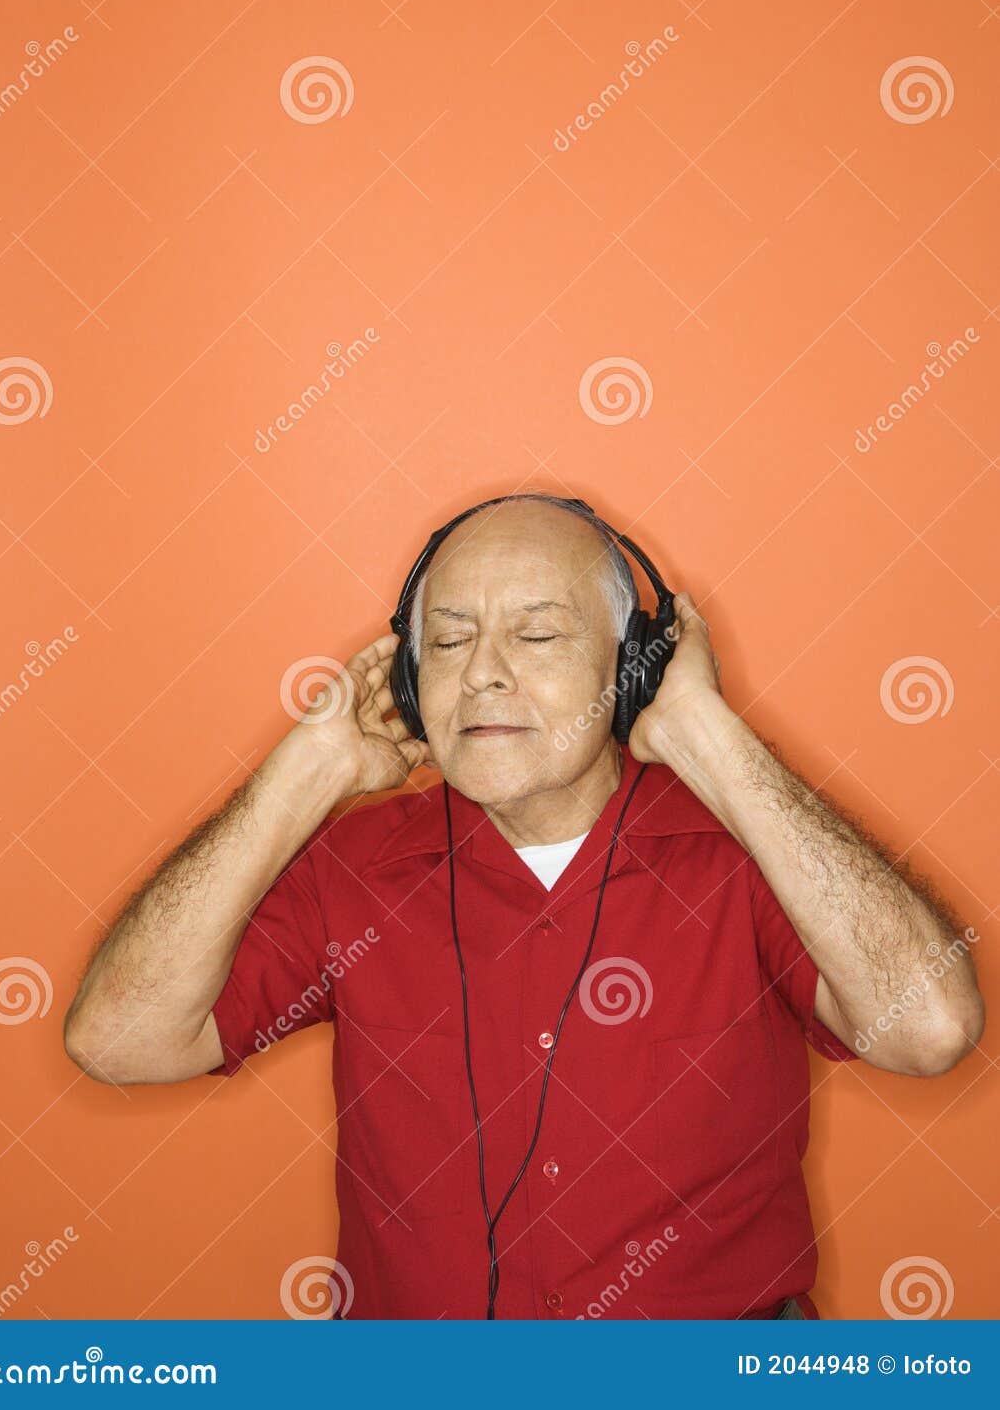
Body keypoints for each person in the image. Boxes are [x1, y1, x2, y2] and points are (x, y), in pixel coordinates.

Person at [63, 493, 985, 1320]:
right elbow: (120, 1042)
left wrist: (706, 734)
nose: (483, 675)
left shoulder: (748, 853)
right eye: (451, 642)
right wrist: (306, 774)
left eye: (537, 637)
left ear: (630, 674)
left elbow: (929, 1030)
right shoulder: (350, 867)